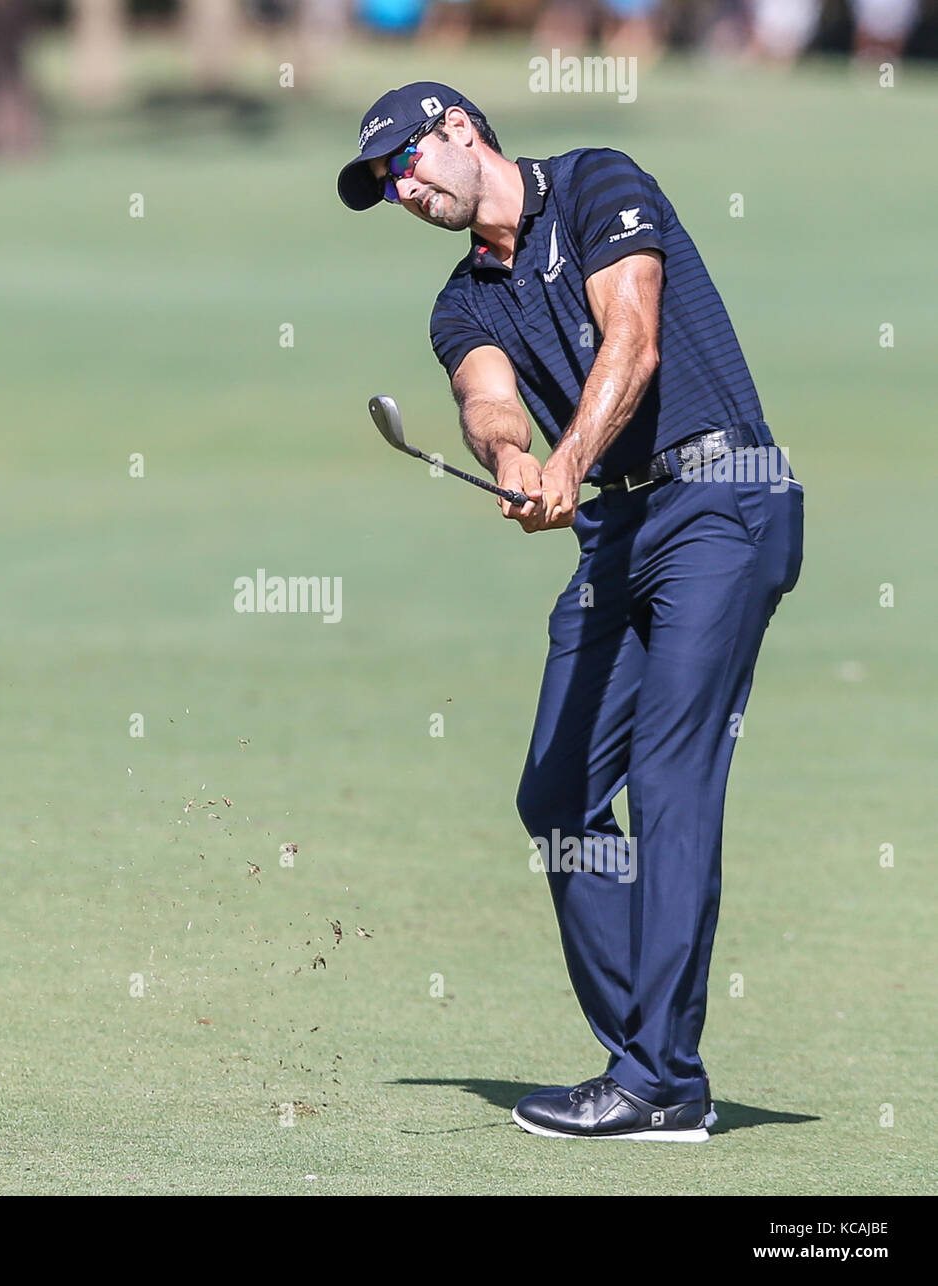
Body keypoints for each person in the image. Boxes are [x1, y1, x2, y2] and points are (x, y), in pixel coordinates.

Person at [337, 83, 803, 1141]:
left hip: (725, 497)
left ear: (460, 128)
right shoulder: (459, 302)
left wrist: (570, 459)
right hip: (620, 533)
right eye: (385, 187)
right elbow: (488, 400)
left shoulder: (598, 181)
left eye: (405, 163)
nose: (403, 190)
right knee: (556, 795)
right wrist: (513, 462)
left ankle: (656, 1076)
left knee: (671, 781)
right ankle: (646, 1062)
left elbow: (629, 340)